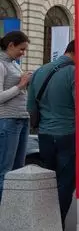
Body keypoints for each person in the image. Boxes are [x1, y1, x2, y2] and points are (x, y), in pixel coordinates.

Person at [26, 40, 75, 231]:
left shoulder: (40, 71)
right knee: (64, 185)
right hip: (68, 133)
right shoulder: (73, 72)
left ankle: (42, 228)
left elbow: (30, 106)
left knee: (48, 182)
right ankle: (58, 230)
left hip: (45, 134)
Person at [0, 31, 32, 203]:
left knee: (18, 169)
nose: (23, 53)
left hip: (21, 118)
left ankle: (13, 210)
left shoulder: (14, 64)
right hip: (8, 120)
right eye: (21, 49)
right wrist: (20, 85)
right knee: (6, 170)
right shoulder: (1, 64)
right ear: (10, 45)